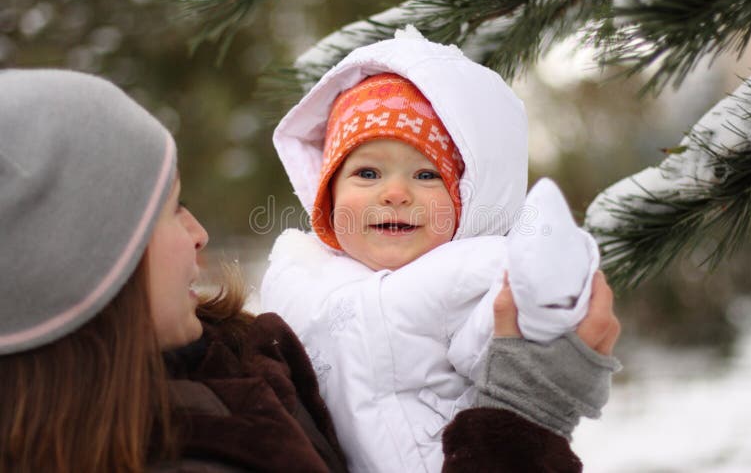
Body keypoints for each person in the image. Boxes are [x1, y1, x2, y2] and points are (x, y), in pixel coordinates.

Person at [0, 68, 619, 473]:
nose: (199, 233)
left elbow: (504, 316)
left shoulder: (228, 358)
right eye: (170, 209)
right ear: (87, 267)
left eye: (426, 174)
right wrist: (526, 413)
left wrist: (546, 317)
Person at [260, 28, 618, 472]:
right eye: (368, 173)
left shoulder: (465, 271)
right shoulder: (298, 270)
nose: (394, 193)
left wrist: (549, 288)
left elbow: (509, 336)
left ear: (465, 200)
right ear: (326, 195)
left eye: (427, 176)